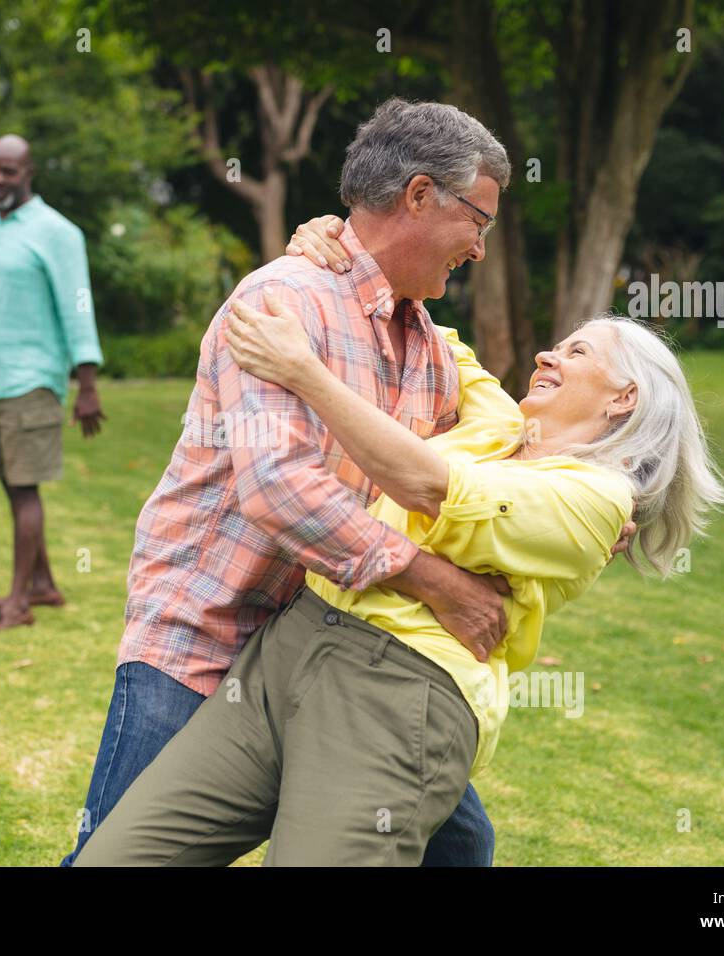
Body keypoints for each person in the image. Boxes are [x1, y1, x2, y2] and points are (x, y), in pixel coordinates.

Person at [61, 97, 592, 867]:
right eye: (479, 219)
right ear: (418, 196)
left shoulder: (432, 349)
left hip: (332, 655)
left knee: (461, 847)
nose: (481, 247)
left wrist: (600, 498)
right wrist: (433, 581)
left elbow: (483, 462)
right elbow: (278, 489)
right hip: (209, 630)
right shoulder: (282, 304)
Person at [75, 299, 724, 866]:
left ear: (626, 397)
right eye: (555, 345)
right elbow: (421, 321)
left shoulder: (596, 499)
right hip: (286, 653)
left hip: (400, 692)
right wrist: (336, 235)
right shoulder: (499, 422)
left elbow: (424, 484)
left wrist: (303, 370)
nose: (547, 355)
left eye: (577, 350)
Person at [0, 134, 105, 631]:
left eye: (7, 171)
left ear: (29, 171)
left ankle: (17, 604)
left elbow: (77, 306)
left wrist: (87, 382)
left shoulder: (58, 232)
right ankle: (42, 584)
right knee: (11, 486)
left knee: (24, 486)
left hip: (31, 377)